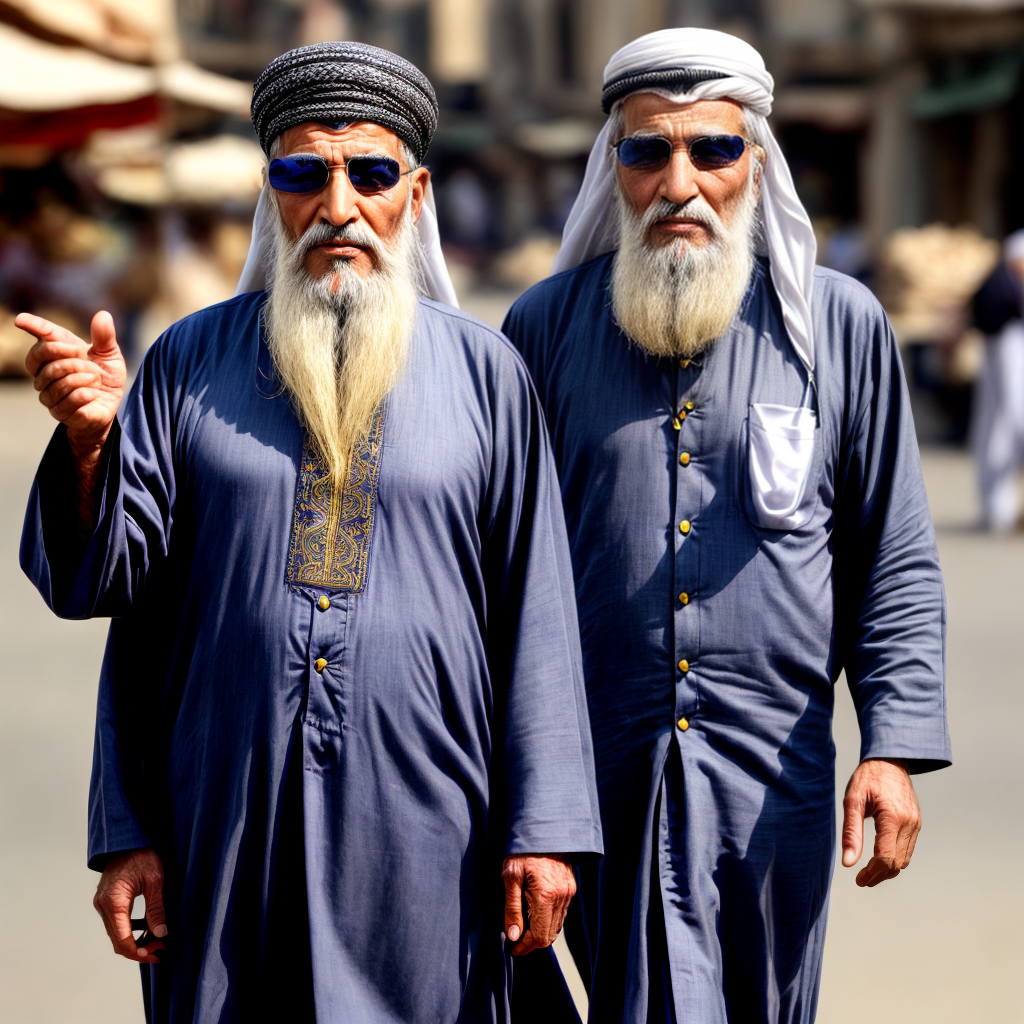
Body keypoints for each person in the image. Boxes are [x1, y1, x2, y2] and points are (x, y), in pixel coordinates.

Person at [18, 42, 602, 1023]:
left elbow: (536, 619)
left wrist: (542, 832)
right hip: (224, 820)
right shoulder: (188, 362)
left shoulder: (488, 377)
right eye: (304, 172)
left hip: (426, 827)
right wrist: (88, 449)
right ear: (270, 192)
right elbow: (125, 604)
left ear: (412, 193)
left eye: (369, 173)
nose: (338, 203)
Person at [502, 28, 950, 1024]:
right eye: (645, 150)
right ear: (611, 167)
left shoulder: (839, 326)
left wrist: (893, 745)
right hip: (598, 767)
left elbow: (894, 560)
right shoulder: (541, 329)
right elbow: (499, 568)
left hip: (773, 766)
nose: (680, 180)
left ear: (756, 161)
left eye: (712, 149)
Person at [970, 230, 1024, 532]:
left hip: (1006, 340)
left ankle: (1001, 510)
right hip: (1007, 341)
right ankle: (1000, 511)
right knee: (1004, 421)